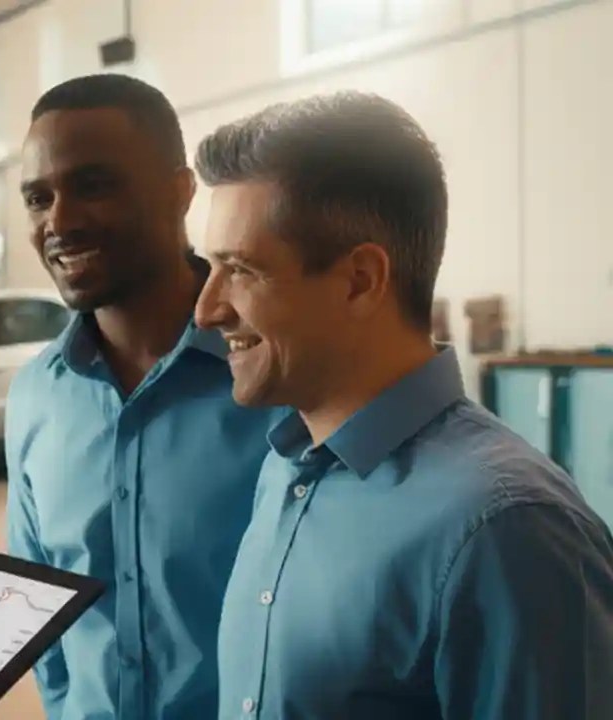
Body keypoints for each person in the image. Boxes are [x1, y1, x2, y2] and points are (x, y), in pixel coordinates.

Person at [194, 91, 613, 718]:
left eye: (241, 270)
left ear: (360, 280)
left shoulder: (509, 530)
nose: (206, 310)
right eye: (209, 268)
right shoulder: (290, 466)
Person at [5, 74, 281, 719]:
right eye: (38, 198)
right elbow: (41, 608)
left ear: (180, 192)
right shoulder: (37, 397)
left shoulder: (280, 379)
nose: (60, 222)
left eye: (94, 186)